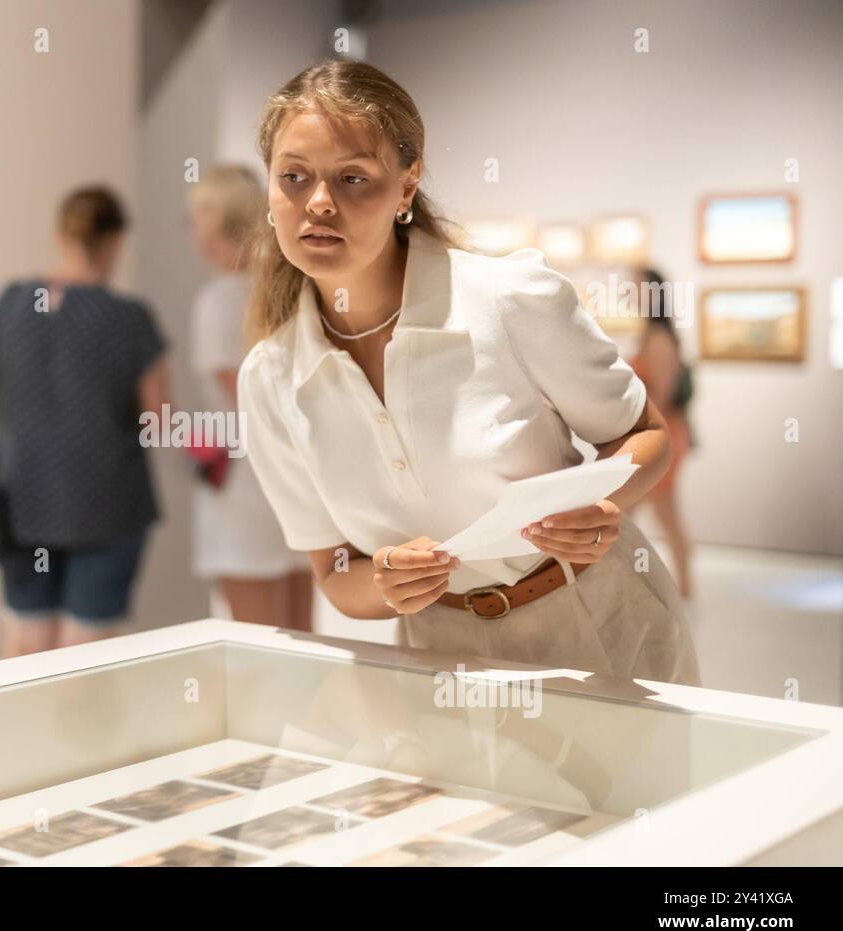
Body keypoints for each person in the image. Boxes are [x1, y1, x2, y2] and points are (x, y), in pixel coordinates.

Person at [236, 58, 699, 685]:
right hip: (436, 651)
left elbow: (645, 434)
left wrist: (602, 505)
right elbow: (334, 571)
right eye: (294, 176)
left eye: (353, 178)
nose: (318, 203)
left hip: (595, 621)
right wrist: (384, 582)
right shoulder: (269, 378)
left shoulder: (507, 298)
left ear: (406, 186)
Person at [0, 185, 170, 658]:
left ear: (61, 236)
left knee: (26, 640)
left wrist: (36, 416)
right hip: (107, 506)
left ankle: (23, 733)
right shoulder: (130, 319)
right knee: (87, 654)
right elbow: (160, 423)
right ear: (117, 240)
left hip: (22, 502)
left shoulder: (12, 302)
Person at [186, 165, 314, 629]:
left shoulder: (219, 300)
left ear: (222, 219)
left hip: (243, 480)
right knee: (301, 634)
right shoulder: (292, 288)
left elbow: (241, 394)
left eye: (201, 213)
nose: (195, 227)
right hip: (295, 476)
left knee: (254, 640)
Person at [628, 267, 696, 599]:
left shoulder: (658, 339)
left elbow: (661, 397)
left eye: (636, 286)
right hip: (660, 435)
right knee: (649, 511)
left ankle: (685, 586)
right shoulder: (653, 336)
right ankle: (682, 585)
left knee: (660, 512)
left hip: (663, 436)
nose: (629, 292)